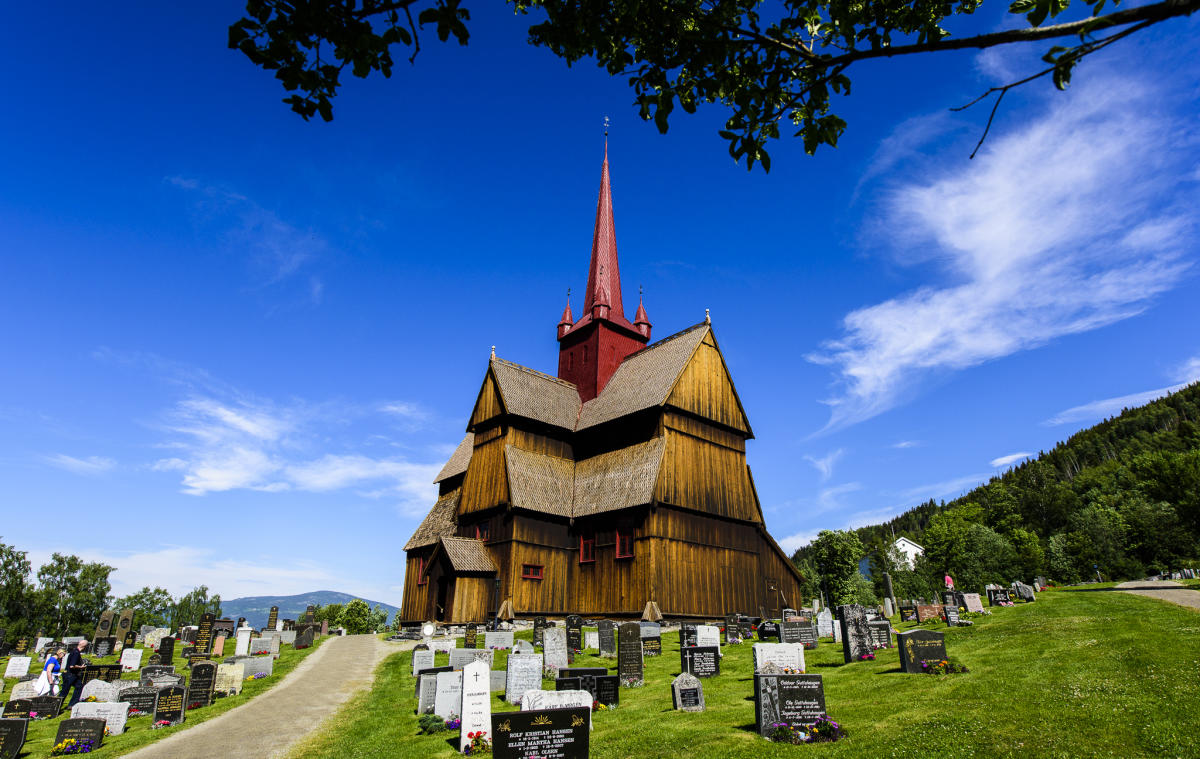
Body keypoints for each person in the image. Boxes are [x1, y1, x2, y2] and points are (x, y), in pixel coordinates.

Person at [61, 639, 89, 707]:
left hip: (72, 675)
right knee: (64, 692)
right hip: (70, 675)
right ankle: (56, 706)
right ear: (84, 646)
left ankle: (72, 704)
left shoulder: (74, 651)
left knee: (79, 686)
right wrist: (81, 667)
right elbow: (72, 666)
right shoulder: (76, 653)